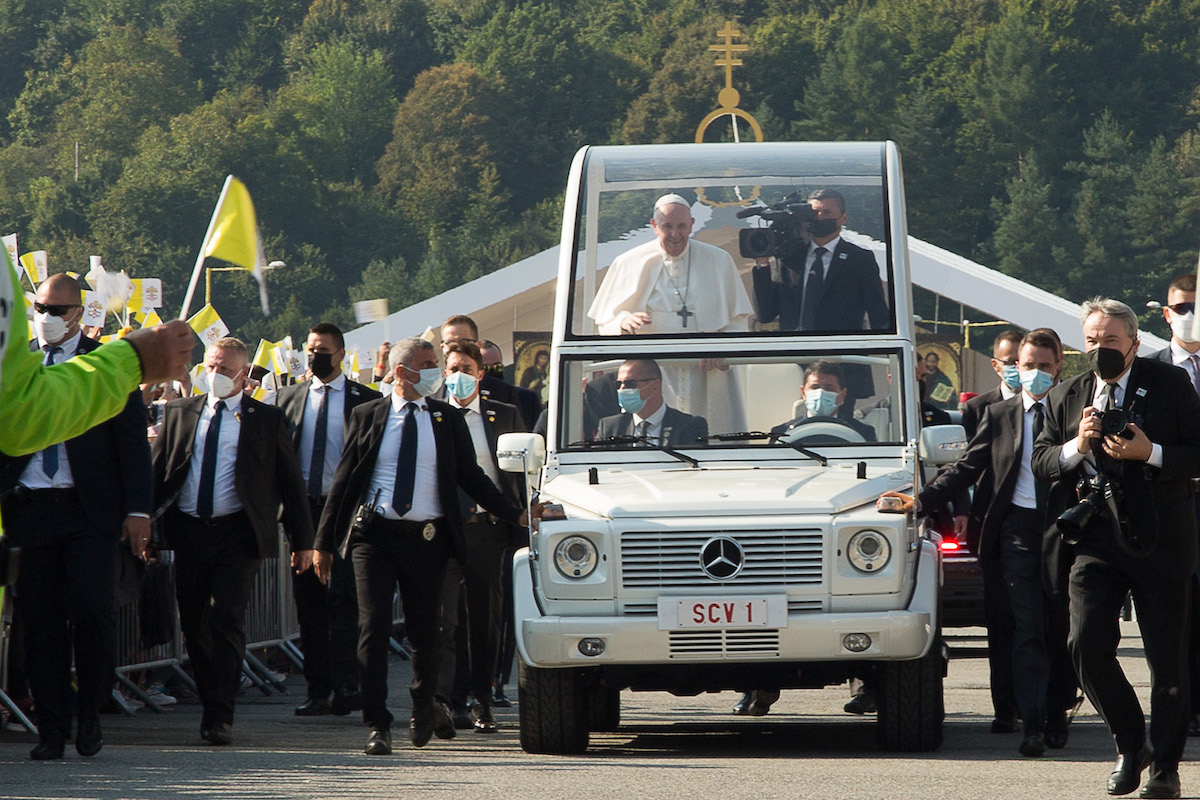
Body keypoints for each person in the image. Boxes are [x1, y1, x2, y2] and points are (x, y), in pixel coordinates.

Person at [312, 337, 531, 756]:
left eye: (435, 363)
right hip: (375, 537)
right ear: (400, 373)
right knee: (372, 628)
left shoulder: (446, 419)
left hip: (428, 540)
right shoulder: (367, 415)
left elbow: (473, 478)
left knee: (427, 633)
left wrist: (515, 513)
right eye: (428, 364)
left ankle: (422, 707)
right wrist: (323, 542)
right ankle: (378, 723)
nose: (436, 371)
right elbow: (344, 482)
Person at [1032, 298, 1200, 799]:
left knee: (1167, 657)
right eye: (1090, 340)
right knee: (1083, 644)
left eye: (1109, 340)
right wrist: (1077, 446)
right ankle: (1131, 743)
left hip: (1161, 534)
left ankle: (1165, 767)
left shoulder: (1170, 384)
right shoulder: (1068, 394)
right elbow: (1042, 460)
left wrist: (1151, 453)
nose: (1099, 349)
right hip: (1096, 537)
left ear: (1133, 342)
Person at [882, 330, 1077, 757]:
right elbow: (965, 468)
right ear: (1016, 368)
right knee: (1027, 627)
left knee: (1061, 625)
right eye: (1028, 366)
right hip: (1016, 532)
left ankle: (1059, 710)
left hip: (1066, 531)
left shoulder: (1075, 412)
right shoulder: (1000, 415)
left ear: (1059, 365)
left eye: (1045, 366)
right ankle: (1033, 723)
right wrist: (919, 500)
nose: (1036, 373)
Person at [0, 273, 153, 760]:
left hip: (87, 511)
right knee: (39, 624)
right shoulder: (17, 364)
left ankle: (90, 714)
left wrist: (137, 510)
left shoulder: (104, 364)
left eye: (57, 311)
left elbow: (132, 445)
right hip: (30, 509)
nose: (47, 319)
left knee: (90, 612)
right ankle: (51, 727)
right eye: (40, 308)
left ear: (80, 314)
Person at [152, 337, 316, 747]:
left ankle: (219, 713)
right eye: (210, 366)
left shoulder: (265, 419)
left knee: (226, 619)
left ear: (244, 375)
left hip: (237, 534)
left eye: (224, 369)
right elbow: (158, 473)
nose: (215, 375)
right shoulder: (179, 413)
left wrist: (303, 541)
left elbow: (290, 483)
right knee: (193, 624)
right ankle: (210, 695)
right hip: (189, 530)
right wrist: (144, 524)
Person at [277, 323, 380, 717]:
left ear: (339, 354)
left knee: (345, 600)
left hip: (346, 514)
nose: (314, 356)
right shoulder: (289, 398)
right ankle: (317, 689)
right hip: (304, 511)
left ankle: (346, 684)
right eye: (309, 348)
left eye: (321, 350)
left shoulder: (365, 401)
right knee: (309, 604)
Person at [433, 340, 527, 733]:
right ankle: (449, 700)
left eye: (466, 369)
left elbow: (521, 473)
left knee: (485, 620)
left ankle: (483, 699)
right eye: (452, 369)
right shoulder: (433, 415)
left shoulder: (503, 415)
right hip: (444, 531)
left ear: (480, 373)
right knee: (446, 618)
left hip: (488, 531)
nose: (459, 377)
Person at [960, 327, 1026, 734]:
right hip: (996, 527)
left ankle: (1048, 701)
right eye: (1012, 361)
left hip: (1041, 525)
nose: (1020, 369)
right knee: (1001, 622)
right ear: (996, 364)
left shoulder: (1056, 403)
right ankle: (1005, 707)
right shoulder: (979, 409)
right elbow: (968, 470)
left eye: (1027, 360)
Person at [1147, 273, 1200, 738]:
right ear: (1165, 314)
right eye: (1181, 308)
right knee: (1179, 615)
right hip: (1172, 505)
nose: (1190, 317)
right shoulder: (1150, 372)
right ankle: (1184, 710)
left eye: (1197, 307)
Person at [587, 193, 753, 335]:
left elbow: (737, 320)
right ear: (654, 226)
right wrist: (623, 321)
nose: (675, 234)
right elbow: (606, 320)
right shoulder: (628, 262)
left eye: (682, 226)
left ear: (691, 224)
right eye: (667, 226)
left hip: (706, 366)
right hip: (653, 364)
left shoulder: (719, 260)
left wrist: (720, 349)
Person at [751, 188, 889, 332]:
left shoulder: (860, 259)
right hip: (796, 349)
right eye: (815, 212)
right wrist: (762, 264)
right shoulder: (790, 258)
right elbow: (765, 314)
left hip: (841, 350)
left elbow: (878, 312)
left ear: (843, 218)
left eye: (827, 212)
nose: (820, 217)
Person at [595, 359, 708, 446]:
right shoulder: (609, 427)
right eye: (618, 384)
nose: (622, 389)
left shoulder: (690, 426)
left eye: (630, 383)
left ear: (655, 385)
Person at [770, 359, 878, 442]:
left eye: (829, 388)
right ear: (803, 392)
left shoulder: (863, 432)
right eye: (815, 387)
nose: (820, 392)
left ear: (842, 395)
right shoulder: (780, 433)